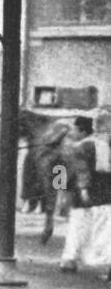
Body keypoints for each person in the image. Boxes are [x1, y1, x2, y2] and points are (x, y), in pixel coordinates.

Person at [61, 115, 111, 279]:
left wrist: (63, 191)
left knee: (77, 226)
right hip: (104, 194)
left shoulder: (77, 147)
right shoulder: (102, 145)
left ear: (82, 131)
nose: (72, 132)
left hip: (81, 194)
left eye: (74, 129)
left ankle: (70, 259)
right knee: (102, 228)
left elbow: (75, 171)